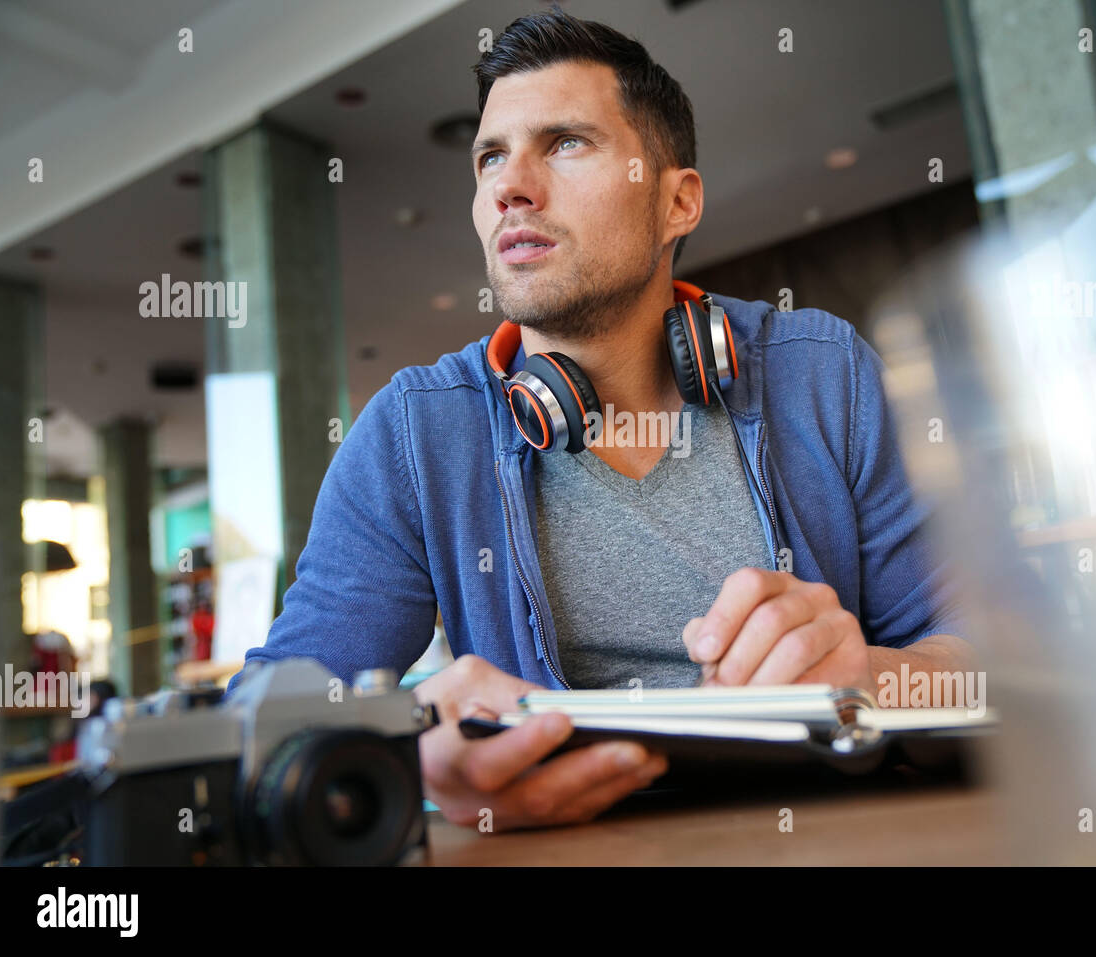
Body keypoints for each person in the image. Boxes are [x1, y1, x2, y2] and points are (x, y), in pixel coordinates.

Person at [226, 7, 971, 831]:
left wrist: (869, 672)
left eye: (566, 143)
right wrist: (412, 745)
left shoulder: (823, 371)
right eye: (490, 158)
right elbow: (263, 715)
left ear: (676, 200)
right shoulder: (414, 434)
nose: (509, 186)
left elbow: (992, 660)